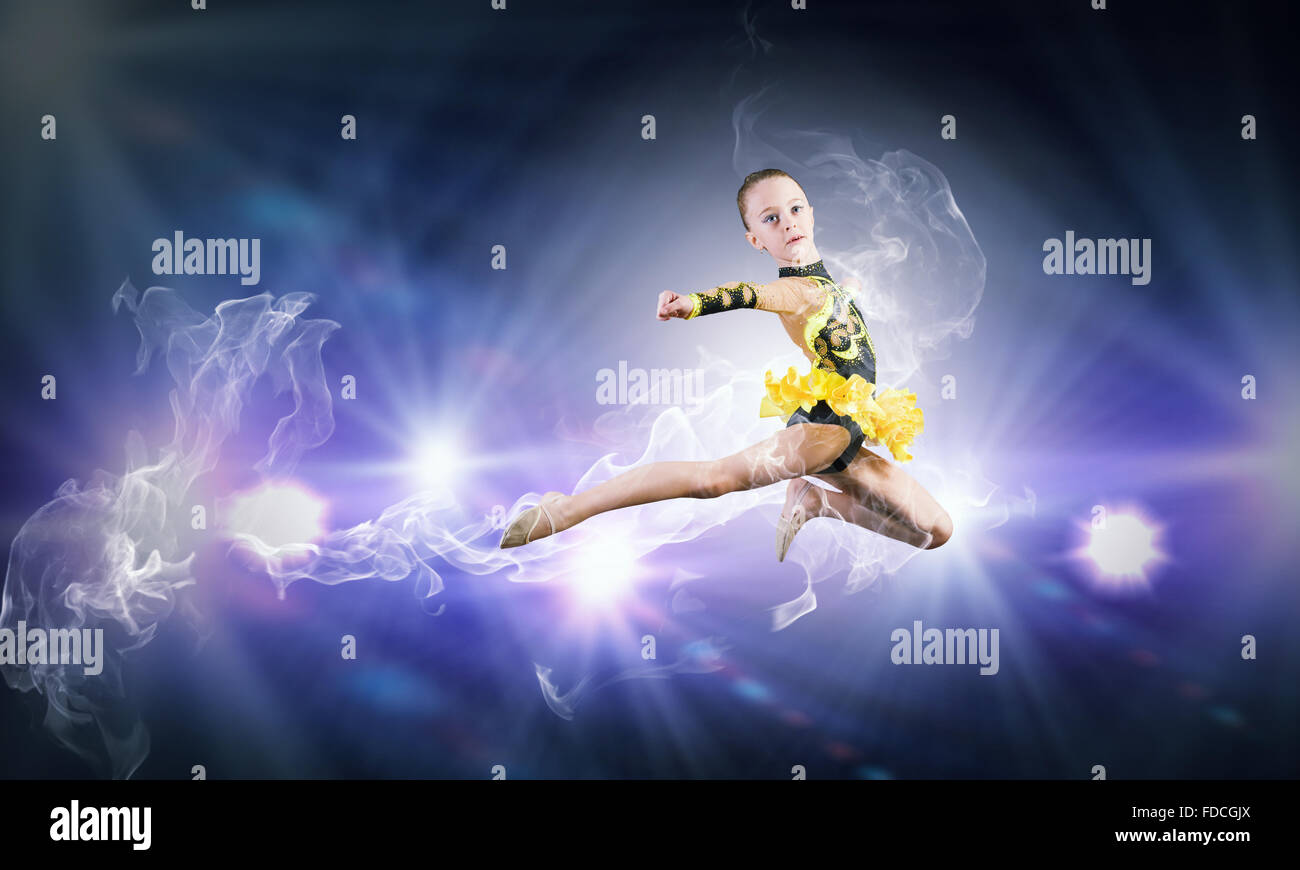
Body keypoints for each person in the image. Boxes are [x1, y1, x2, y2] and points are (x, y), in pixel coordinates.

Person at [500, 168, 953, 557]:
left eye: (795, 210)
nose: (788, 223)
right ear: (756, 239)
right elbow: (745, 293)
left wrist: (851, 291)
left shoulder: (827, 284)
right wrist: (692, 304)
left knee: (935, 532)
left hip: (850, 433)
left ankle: (816, 503)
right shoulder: (795, 292)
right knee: (714, 479)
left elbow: (840, 309)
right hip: (822, 432)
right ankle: (566, 509)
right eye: (771, 219)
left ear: (812, 212)